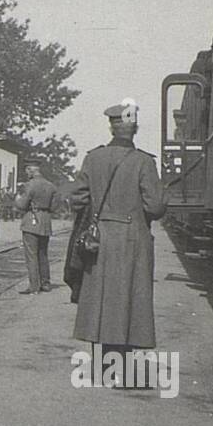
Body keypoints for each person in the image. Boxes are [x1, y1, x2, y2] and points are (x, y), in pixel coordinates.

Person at [71, 100, 168, 368]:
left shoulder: (93, 158)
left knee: (102, 300)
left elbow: (76, 200)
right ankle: (121, 367)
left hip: (99, 240)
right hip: (133, 239)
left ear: (111, 127)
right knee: (128, 300)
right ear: (134, 128)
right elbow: (156, 207)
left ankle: (103, 365)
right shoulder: (143, 162)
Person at [14, 157, 62, 294]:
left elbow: (22, 205)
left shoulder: (28, 185)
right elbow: (55, 206)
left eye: (27, 170)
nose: (26, 173)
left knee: (31, 254)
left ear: (30, 170)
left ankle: (34, 286)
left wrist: (17, 199)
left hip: (31, 220)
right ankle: (46, 283)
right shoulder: (51, 185)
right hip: (46, 221)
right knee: (43, 254)